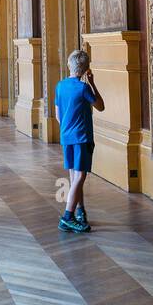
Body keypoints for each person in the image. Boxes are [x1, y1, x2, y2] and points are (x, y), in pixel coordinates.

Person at [55, 47, 104, 234]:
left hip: (66, 137)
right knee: (81, 176)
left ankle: (79, 211)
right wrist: (92, 83)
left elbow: (58, 116)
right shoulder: (83, 88)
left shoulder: (59, 86)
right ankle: (67, 217)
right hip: (82, 137)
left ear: (69, 65)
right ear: (86, 69)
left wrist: (67, 128)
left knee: (74, 177)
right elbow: (101, 106)